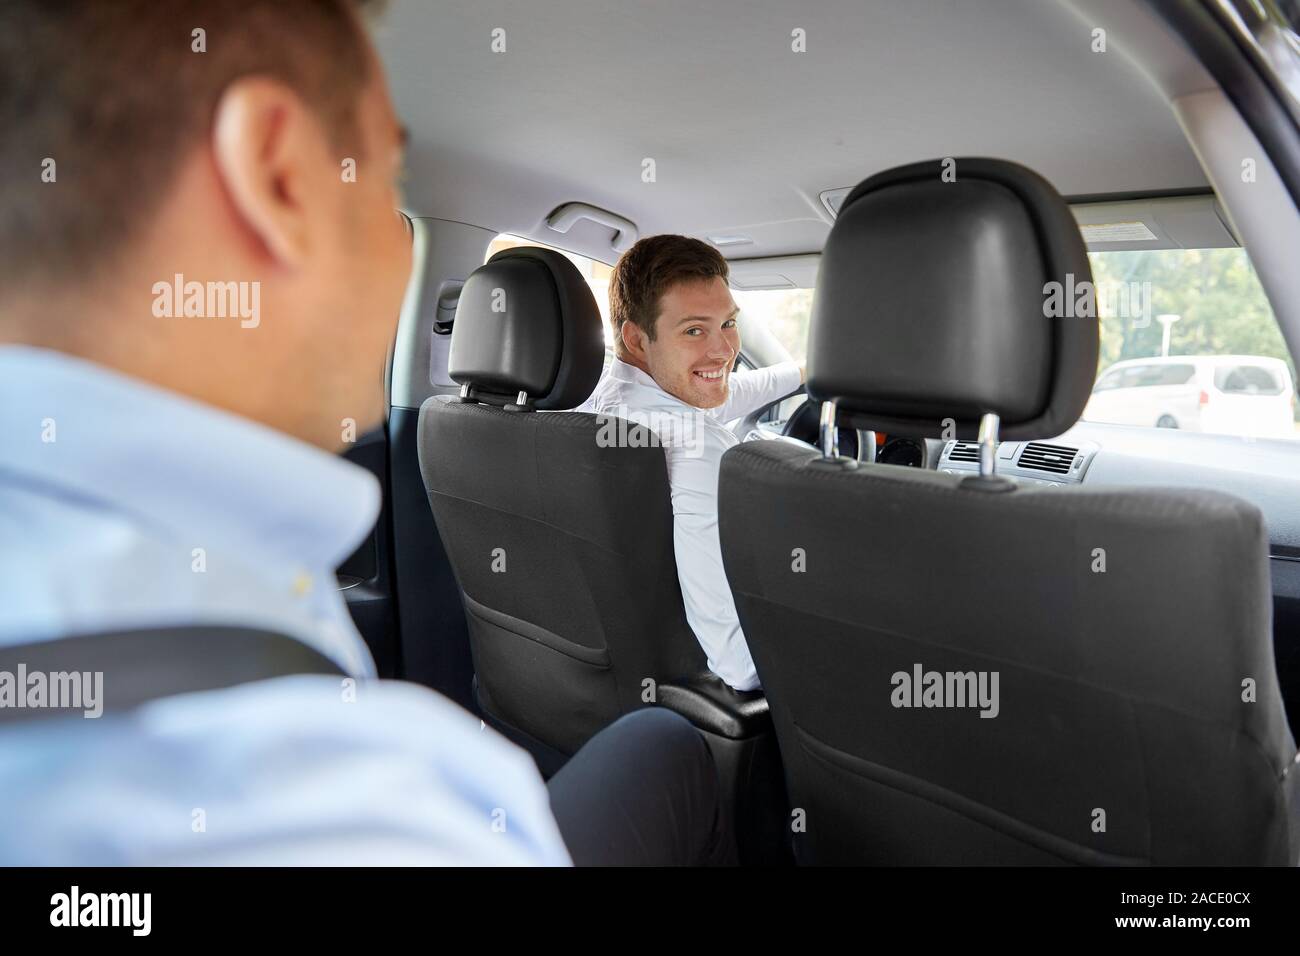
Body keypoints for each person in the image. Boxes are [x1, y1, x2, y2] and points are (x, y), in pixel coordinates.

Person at [0, 0, 728, 866]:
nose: (395, 262)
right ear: (277, 177)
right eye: (384, 192)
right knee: (665, 744)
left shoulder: (428, 444)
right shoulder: (334, 816)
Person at [580, 236, 804, 691]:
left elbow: (720, 395)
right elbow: (740, 664)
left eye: (729, 323)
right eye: (695, 331)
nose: (726, 351)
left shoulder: (607, 399)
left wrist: (804, 370)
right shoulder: (698, 450)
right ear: (637, 339)